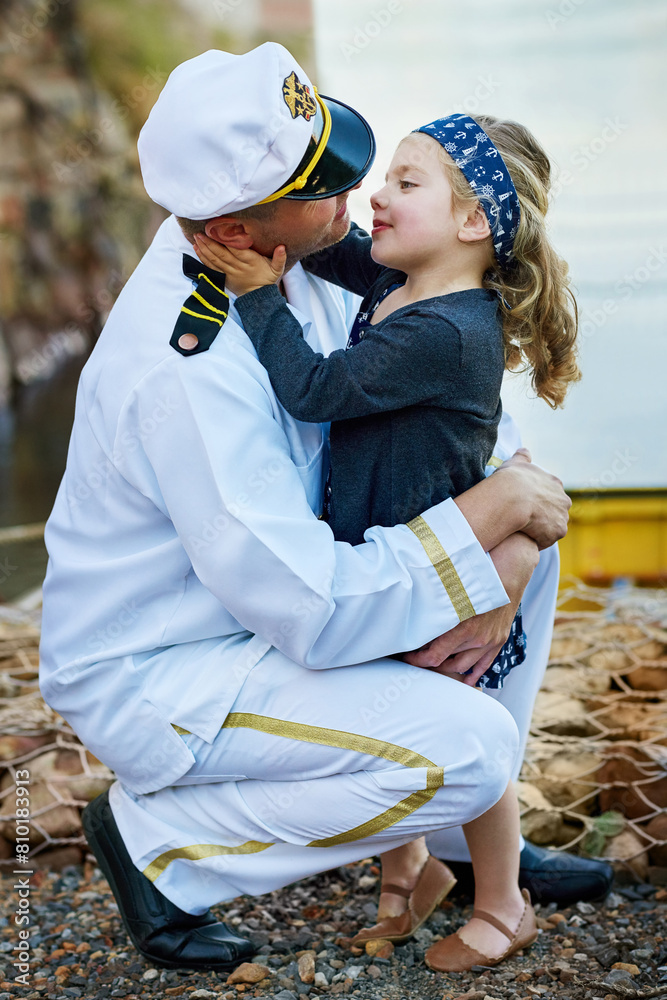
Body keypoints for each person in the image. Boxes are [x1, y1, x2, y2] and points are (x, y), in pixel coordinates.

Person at [37, 44, 608, 976]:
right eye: (323, 185)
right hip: (175, 666)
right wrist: (483, 527)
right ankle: (163, 848)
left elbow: (441, 412)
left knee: (525, 548)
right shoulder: (186, 370)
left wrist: (501, 543)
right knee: (465, 750)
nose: (353, 197)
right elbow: (309, 605)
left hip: (261, 596)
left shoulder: (282, 252)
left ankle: (467, 842)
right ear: (236, 221)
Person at [190, 111, 580, 970]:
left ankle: (504, 904)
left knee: (467, 734)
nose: (374, 197)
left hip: (448, 569)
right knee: (395, 715)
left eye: (407, 184)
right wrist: (257, 213)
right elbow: (325, 242)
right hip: (398, 555)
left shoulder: (444, 330)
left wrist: (256, 293)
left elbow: (316, 389)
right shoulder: (400, 282)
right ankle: (408, 875)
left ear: (474, 224)